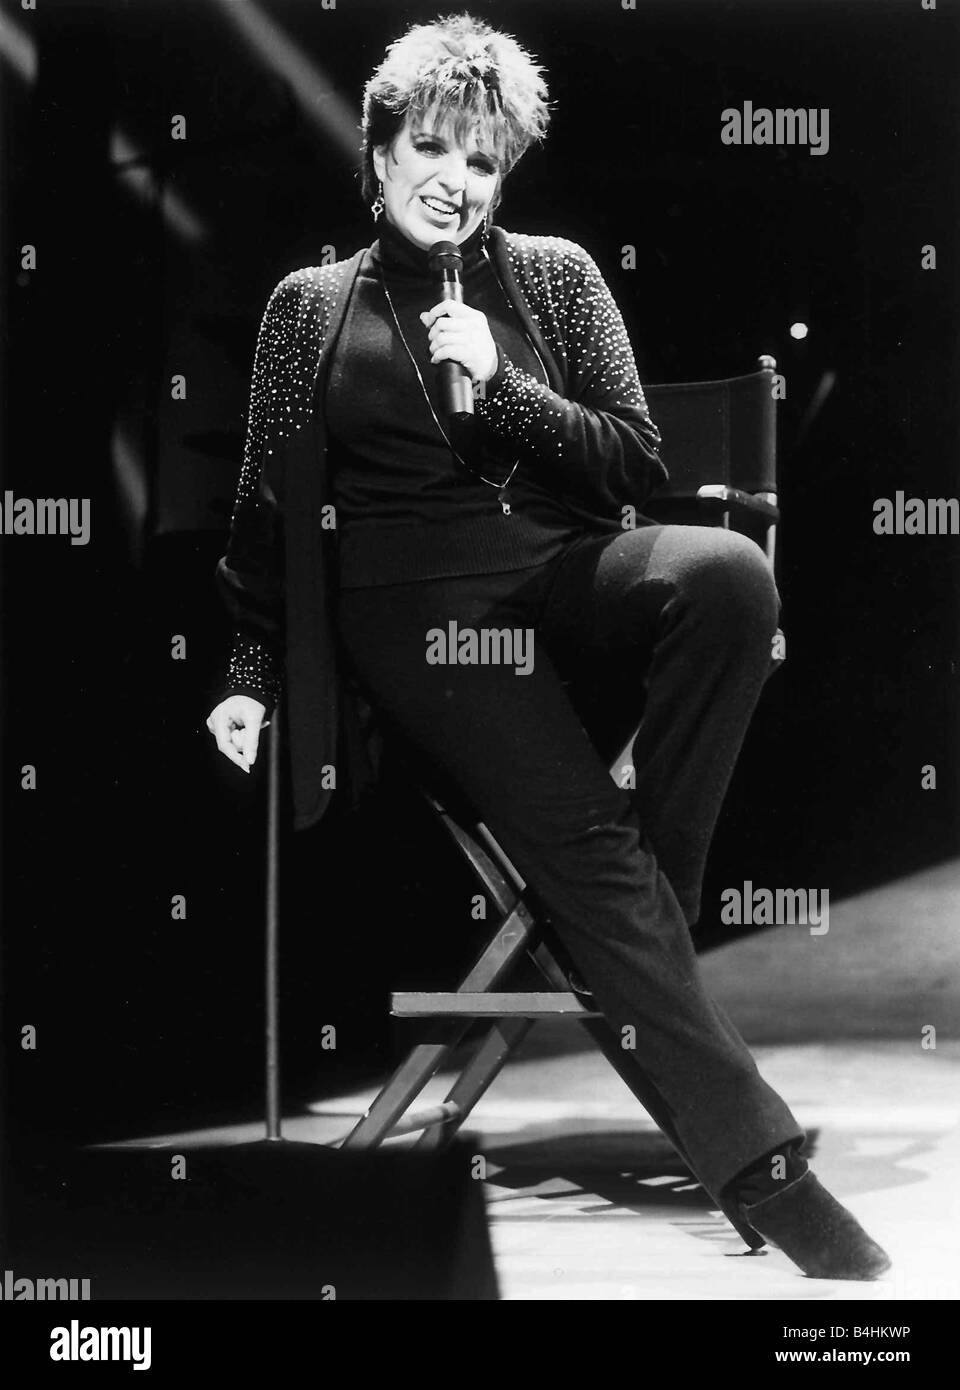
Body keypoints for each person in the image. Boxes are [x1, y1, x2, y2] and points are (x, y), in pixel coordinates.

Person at [206, 11, 890, 1281]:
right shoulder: (308, 308)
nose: (456, 183)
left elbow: (638, 461)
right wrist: (249, 676)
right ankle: (770, 1174)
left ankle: (648, 923)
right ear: (379, 148)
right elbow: (262, 515)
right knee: (582, 849)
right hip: (417, 617)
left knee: (729, 575)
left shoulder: (557, 275)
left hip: (557, 571)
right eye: (433, 149)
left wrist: (507, 390)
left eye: (484, 162)